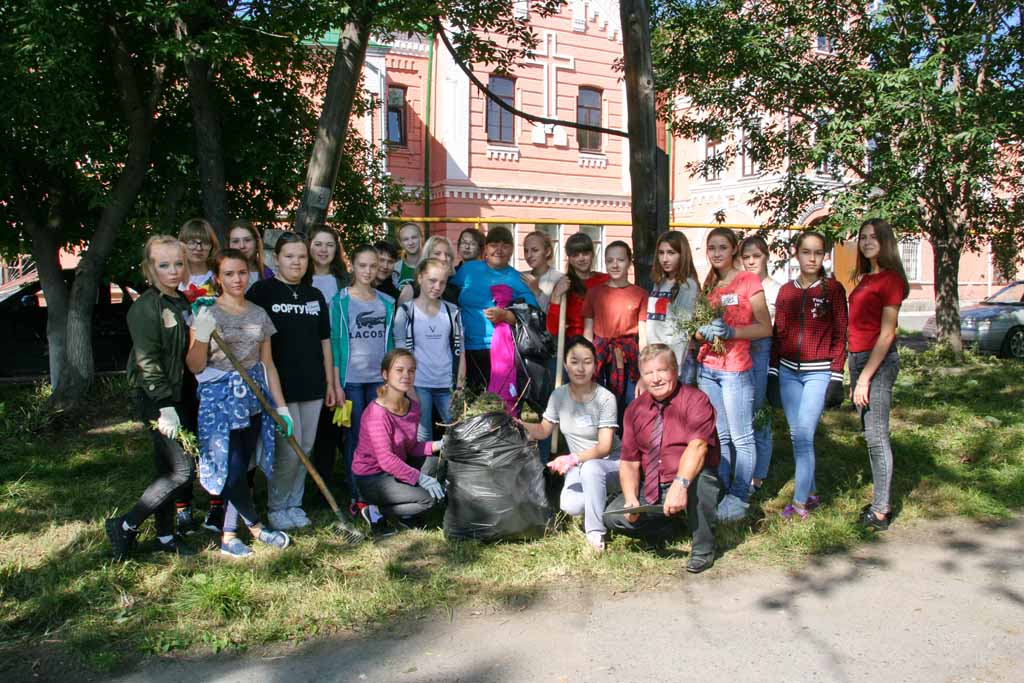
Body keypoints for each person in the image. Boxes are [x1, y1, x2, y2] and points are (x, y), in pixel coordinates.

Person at [185, 249, 292, 558]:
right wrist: (202, 335)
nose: (236, 279)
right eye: (229, 274)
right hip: (219, 400)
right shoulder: (206, 313)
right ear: (217, 278)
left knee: (243, 468)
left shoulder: (259, 314)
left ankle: (229, 535)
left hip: (253, 398)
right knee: (229, 470)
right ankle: (257, 527)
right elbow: (194, 366)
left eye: (242, 273)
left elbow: (268, 364)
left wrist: (281, 407)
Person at [105, 236, 197, 559]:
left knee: (165, 469)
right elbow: (148, 361)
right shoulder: (146, 307)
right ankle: (126, 525)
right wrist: (164, 407)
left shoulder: (182, 301)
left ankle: (165, 537)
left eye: (178, 264)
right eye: (163, 265)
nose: (172, 271)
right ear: (149, 269)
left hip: (182, 395)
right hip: (157, 398)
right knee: (181, 472)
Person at [602, 344, 723, 574]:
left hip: (690, 480)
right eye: (649, 373)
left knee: (704, 482)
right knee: (613, 517)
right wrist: (630, 499)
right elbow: (629, 461)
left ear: (675, 370)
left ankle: (703, 549)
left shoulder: (696, 400)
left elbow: (698, 447)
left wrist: (681, 485)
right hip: (654, 485)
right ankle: (668, 527)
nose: (656, 379)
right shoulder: (635, 409)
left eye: (662, 371)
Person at [247, 232, 336, 530]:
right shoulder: (263, 292)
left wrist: (329, 382)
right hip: (279, 386)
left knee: (306, 446)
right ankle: (277, 505)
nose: (296, 262)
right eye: (289, 256)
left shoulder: (314, 296)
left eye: (301, 256)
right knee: (288, 448)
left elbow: (325, 341)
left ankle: (294, 503)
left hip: (312, 384)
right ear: (276, 259)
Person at [768, 231, 848, 520]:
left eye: (818, 252)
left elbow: (841, 335)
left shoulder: (833, 290)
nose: (812, 258)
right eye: (806, 252)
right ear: (796, 254)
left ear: (824, 255)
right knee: (795, 434)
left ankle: (800, 503)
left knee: (803, 435)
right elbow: (779, 334)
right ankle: (813, 494)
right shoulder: (786, 291)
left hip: (818, 373)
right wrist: (774, 372)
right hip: (789, 373)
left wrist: (836, 377)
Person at [695, 227, 772, 523]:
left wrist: (732, 332)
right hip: (709, 370)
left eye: (722, 247)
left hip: (736, 371)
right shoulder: (710, 287)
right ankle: (724, 491)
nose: (716, 253)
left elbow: (765, 327)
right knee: (721, 435)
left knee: (742, 436)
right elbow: (696, 329)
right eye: (711, 247)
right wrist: (701, 333)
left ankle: (740, 495)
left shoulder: (748, 281)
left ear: (734, 250)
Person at [519, 337, 621, 552]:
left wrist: (572, 458)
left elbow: (604, 447)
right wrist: (517, 424)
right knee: (570, 505)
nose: (581, 368)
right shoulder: (559, 396)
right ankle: (607, 501)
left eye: (587, 361)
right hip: (579, 465)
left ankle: (595, 532)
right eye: (574, 362)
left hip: (610, 464)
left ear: (595, 365)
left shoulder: (605, 398)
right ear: (565, 365)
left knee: (593, 470)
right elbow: (543, 430)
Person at [848, 218, 909, 531]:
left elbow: (886, 335)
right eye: (863, 237)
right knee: (869, 433)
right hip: (859, 360)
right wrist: (855, 370)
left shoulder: (891, 280)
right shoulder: (865, 278)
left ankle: (882, 509)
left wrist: (864, 377)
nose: (867, 241)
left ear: (886, 241)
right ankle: (879, 502)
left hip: (879, 363)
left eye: (874, 237)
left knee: (876, 435)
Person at [331, 244, 396, 515]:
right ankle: (357, 494)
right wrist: (335, 384)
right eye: (363, 265)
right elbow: (335, 343)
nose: (368, 271)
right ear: (352, 267)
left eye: (373, 265)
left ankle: (378, 491)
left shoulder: (387, 302)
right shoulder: (341, 301)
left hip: (378, 381)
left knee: (380, 436)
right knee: (356, 437)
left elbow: (390, 343)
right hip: (352, 380)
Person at [352, 349, 445, 529]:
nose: (406, 375)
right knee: (427, 500)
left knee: (437, 463)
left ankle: (406, 512)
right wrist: (421, 479)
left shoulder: (413, 406)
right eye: (399, 370)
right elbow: (386, 460)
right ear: (385, 374)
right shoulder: (376, 414)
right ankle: (374, 509)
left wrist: (439, 444)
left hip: (396, 468)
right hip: (373, 477)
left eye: (411, 371)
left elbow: (410, 448)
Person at [449, 226, 538, 394]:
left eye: (505, 245)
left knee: (497, 400)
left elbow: (530, 317)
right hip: (463, 348)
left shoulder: (518, 279)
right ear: (486, 249)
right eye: (494, 244)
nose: (499, 249)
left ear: (512, 249)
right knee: (466, 400)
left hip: (499, 350)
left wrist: (505, 315)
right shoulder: (469, 270)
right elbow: (447, 292)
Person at [175, 217, 220, 531]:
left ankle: (217, 504)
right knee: (183, 433)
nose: (197, 246)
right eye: (191, 240)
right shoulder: (172, 276)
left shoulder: (218, 277)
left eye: (202, 241)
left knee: (214, 434)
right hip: (179, 364)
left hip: (214, 364)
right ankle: (182, 504)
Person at [394, 258, 466, 442]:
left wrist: (459, 386)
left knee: (458, 433)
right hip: (419, 384)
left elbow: (460, 351)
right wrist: (408, 388)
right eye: (432, 280)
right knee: (422, 435)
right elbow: (400, 355)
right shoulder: (406, 312)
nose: (437, 286)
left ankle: (450, 470)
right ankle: (424, 471)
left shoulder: (452, 311)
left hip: (446, 384)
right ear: (420, 278)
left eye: (442, 282)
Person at [583, 240, 648, 423]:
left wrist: (644, 370)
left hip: (629, 355)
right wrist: (587, 362)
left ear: (629, 262)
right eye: (610, 260)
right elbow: (588, 333)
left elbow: (643, 336)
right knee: (601, 403)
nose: (615, 264)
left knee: (629, 403)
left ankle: (627, 445)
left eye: (620, 260)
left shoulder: (640, 294)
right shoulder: (594, 293)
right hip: (601, 356)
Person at [740, 235, 782, 493]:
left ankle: (759, 474)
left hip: (763, 352)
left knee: (758, 412)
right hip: (739, 352)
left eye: (756, 256)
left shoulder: (776, 289)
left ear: (766, 256)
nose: (751, 261)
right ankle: (741, 468)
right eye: (746, 257)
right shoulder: (739, 286)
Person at [308, 225, 349, 488]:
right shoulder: (301, 279)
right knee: (322, 423)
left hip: (341, 358)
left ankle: (355, 480)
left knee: (344, 419)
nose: (323, 250)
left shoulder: (344, 281)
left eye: (329, 245)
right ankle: (320, 483)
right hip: (310, 356)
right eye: (318, 244)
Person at [643, 231, 700, 384]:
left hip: (674, 363)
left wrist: (674, 368)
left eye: (671, 253)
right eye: (661, 253)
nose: (665, 259)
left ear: (682, 255)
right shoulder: (659, 282)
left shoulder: (687, 285)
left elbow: (681, 331)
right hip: (656, 359)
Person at [547, 232, 609, 339]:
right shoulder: (564, 284)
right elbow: (553, 329)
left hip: (604, 340)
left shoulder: (605, 280)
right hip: (576, 343)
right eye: (575, 255)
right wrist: (556, 295)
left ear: (592, 254)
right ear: (569, 259)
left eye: (585, 253)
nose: (581, 258)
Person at [397, 235, 460, 306]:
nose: (444, 258)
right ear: (427, 257)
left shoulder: (455, 291)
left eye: (448, 255)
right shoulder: (411, 290)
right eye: (437, 254)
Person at [520, 231, 567, 315]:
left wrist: (537, 292)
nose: (529, 255)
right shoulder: (521, 277)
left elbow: (554, 315)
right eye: (526, 251)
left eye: (535, 250)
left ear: (547, 252)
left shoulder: (559, 279)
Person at [178, 218, 220, 298]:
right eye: (192, 242)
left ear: (212, 246)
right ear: (182, 245)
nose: (199, 248)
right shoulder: (175, 278)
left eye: (205, 242)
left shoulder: (219, 277)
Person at [228, 219, 273, 289]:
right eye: (235, 241)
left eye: (247, 240)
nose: (242, 246)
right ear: (228, 245)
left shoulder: (268, 274)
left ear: (256, 243)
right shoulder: (219, 275)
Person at [393, 222, 424, 290]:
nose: (410, 242)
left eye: (414, 237)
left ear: (421, 238)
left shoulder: (432, 266)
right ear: (400, 243)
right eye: (406, 239)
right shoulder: (394, 269)